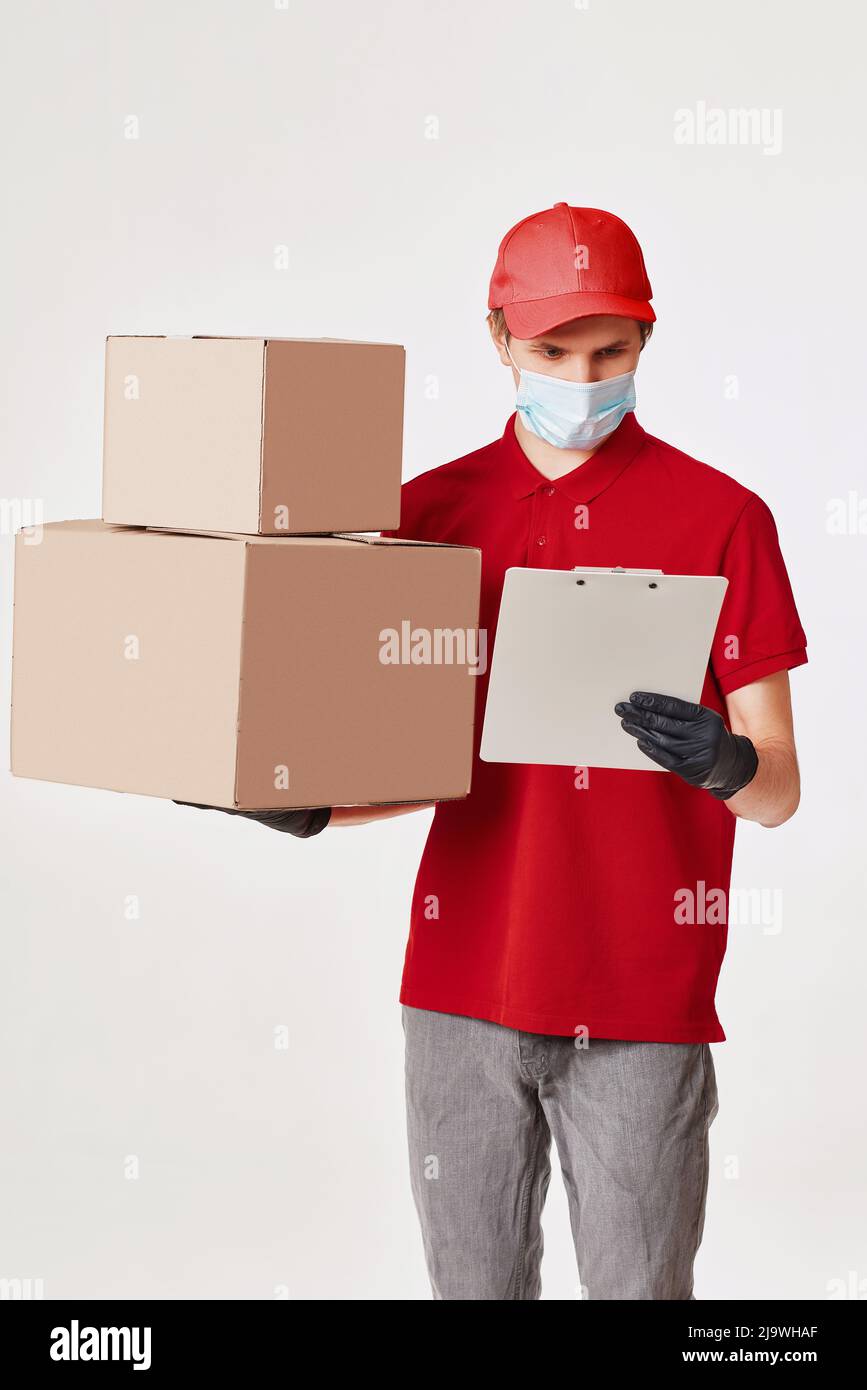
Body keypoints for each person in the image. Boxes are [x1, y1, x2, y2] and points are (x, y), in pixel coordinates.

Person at [185, 203, 808, 1300]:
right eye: (552, 350)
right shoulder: (425, 517)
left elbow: (779, 789)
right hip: (462, 987)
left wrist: (723, 762)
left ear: (646, 341)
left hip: (641, 999)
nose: (582, 375)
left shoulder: (724, 518)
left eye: (610, 350)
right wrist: (314, 807)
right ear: (497, 338)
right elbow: (414, 760)